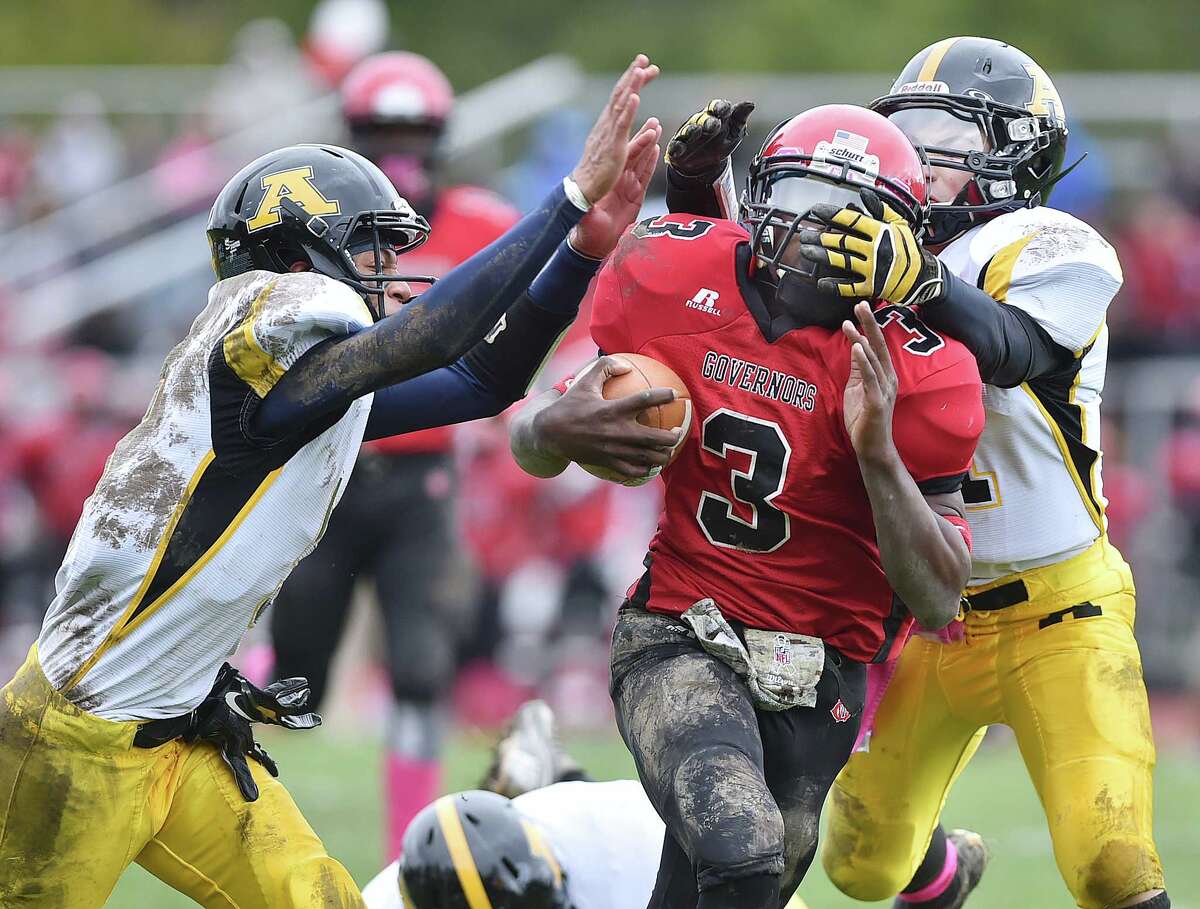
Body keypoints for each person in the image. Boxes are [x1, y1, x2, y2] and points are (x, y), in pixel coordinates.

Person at [0, 55, 667, 909]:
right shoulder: (256, 338)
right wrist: (566, 198)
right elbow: (437, 338)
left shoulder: (308, 388)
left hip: (182, 733)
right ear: (292, 255)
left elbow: (480, 380)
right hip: (78, 740)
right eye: (368, 241)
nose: (387, 261)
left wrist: (579, 252)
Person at [663, 36, 1168, 909]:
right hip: (928, 609)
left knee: (1111, 862)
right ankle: (945, 875)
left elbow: (1013, 348)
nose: (924, 154)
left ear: (1017, 154)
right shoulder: (865, 243)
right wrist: (694, 191)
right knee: (861, 863)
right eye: (914, 128)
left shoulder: (1047, 243)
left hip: (1059, 608)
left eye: (953, 135)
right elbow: (746, 286)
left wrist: (920, 280)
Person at [509, 105, 984, 909]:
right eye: (797, 200)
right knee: (741, 846)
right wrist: (549, 427)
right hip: (681, 630)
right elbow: (532, 439)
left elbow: (939, 596)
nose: (811, 232)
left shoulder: (918, 367)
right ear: (760, 198)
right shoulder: (675, 272)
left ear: (898, 241)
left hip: (821, 673)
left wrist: (877, 455)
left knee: (724, 886)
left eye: (844, 219)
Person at [268, 50, 524, 857]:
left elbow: (538, 318)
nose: (399, 154)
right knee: (293, 673)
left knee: (419, 666)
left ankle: (402, 853)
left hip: (424, 481)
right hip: (327, 467)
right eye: (381, 135)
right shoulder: (311, 230)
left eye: (412, 135)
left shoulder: (483, 221)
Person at [361, 700, 814, 909]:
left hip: (617, 833)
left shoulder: (625, 857)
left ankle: (545, 775)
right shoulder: (379, 901)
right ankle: (537, 774)